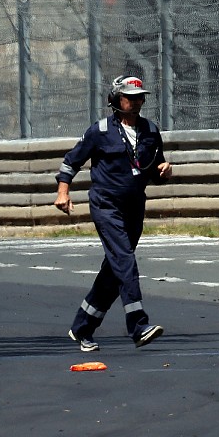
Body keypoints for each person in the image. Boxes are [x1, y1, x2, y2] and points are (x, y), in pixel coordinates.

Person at [53, 75, 172, 351]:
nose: (137, 102)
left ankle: (82, 326)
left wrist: (164, 172)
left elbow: (153, 171)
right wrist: (62, 192)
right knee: (125, 261)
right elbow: (71, 162)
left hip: (134, 207)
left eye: (140, 97)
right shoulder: (100, 131)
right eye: (131, 97)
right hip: (106, 205)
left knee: (114, 270)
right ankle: (139, 325)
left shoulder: (151, 131)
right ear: (116, 100)